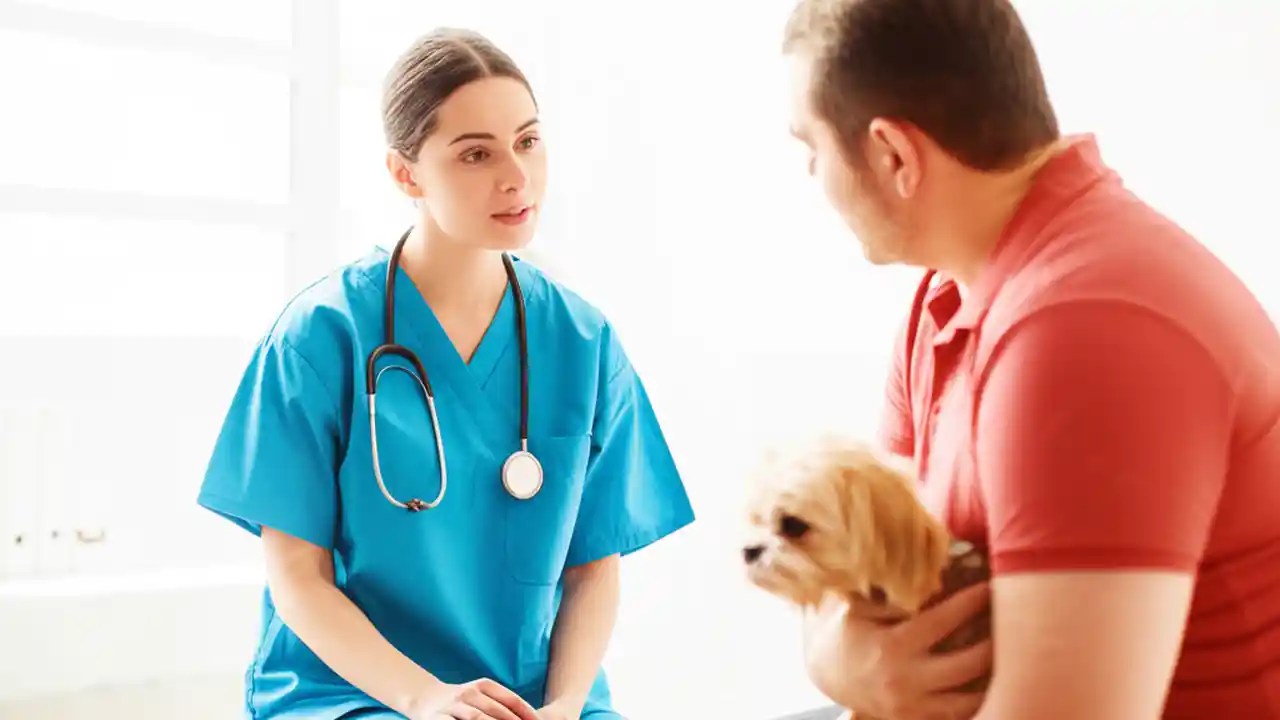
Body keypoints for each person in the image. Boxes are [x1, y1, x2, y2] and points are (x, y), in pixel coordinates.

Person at [779, 0, 1280, 718]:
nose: (810, 175)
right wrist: (835, 662)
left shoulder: (1087, 327)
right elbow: (857, 563)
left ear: (893, 154)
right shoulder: (947, 300)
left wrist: (848, 671)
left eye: (811, 147)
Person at [197, 27, 694, 720]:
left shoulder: (582, 341)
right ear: (407, 174)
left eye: (528, 141)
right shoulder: (322, 338)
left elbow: (592, 568)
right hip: (353, 692)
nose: (516, 176)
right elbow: (297, 578)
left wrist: (566, 706)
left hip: (532, 699)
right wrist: (425, 698)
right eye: (475, 154)